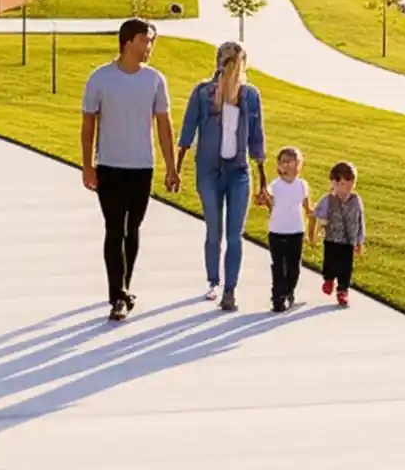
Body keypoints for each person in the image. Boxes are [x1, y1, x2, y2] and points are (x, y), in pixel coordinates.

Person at [81, 18, 180, 322]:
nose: (150, 47)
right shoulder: (100, 79)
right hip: (110, 166)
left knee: (132, 229)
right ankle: (117, 295)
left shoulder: (154, 80)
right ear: (129, 42)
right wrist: (87, 166)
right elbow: (88, 125)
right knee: (114, 229)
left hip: (142, 167)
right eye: (146, 41)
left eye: (151, 42)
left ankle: (125, 286)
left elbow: (164, 125)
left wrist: (171, 167)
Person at [177, 40, 267, 313]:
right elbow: (188, 130)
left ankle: (230, 290)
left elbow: (256, 137)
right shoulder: (204, 94)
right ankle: (214, 281)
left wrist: (262, 179)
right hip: (209, 170)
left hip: (238, 171)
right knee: (214, 230)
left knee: (235, 234)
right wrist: (176, 169)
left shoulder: (249, 96)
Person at [307, 161, 366, 308]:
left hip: (348, 241)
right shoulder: (328, 200)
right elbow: (317, 214)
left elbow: (360, 220)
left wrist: (359, 240)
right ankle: (328, 278)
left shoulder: (356, 201)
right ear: (333, 183)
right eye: (341, 183)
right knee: (330, 263)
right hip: (332, 239)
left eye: (349, 183)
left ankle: (342, 290)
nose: (345, 187)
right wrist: (316, 223)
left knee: (346, 268)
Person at [262, 146, 311, 313]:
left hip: (296, 231)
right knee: (278, 267)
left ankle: (290, 290)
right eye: (283, 162)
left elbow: (307, 207)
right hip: (277, 232)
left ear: (299, 165)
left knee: (293, 267)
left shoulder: (303, 185)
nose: (287, 165)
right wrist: (262, 197)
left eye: (291, 161)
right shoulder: (274, 186)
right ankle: (278, 298)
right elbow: (265, 200)